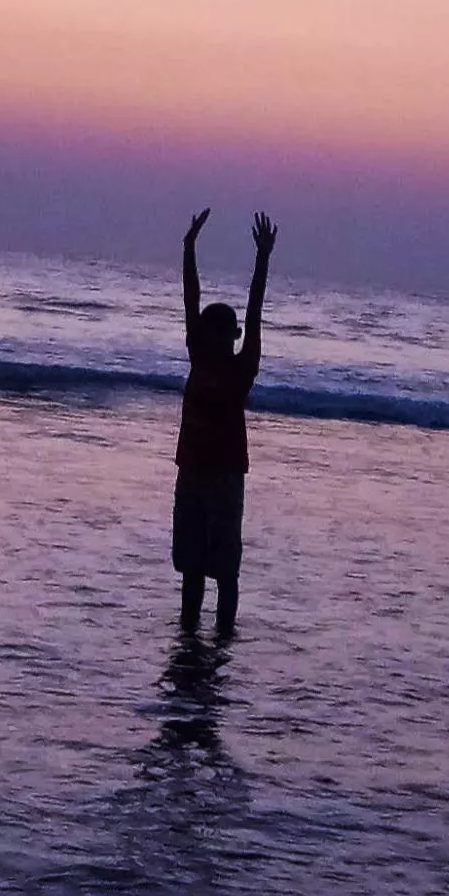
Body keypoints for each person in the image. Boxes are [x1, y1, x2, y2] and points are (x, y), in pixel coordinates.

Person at [171, 207, 274, 637]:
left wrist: (263, 260)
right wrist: (189, 247)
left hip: (226, 477)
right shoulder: (198, 355)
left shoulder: (242, 366)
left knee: (226, 570)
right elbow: (190, 298)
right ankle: (189, 631)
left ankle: (224, 638)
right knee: (192, 568)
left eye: (220, 331)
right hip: (192, 473)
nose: (212, 337)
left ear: (229, 337)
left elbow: (254, 312)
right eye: (208, 330)